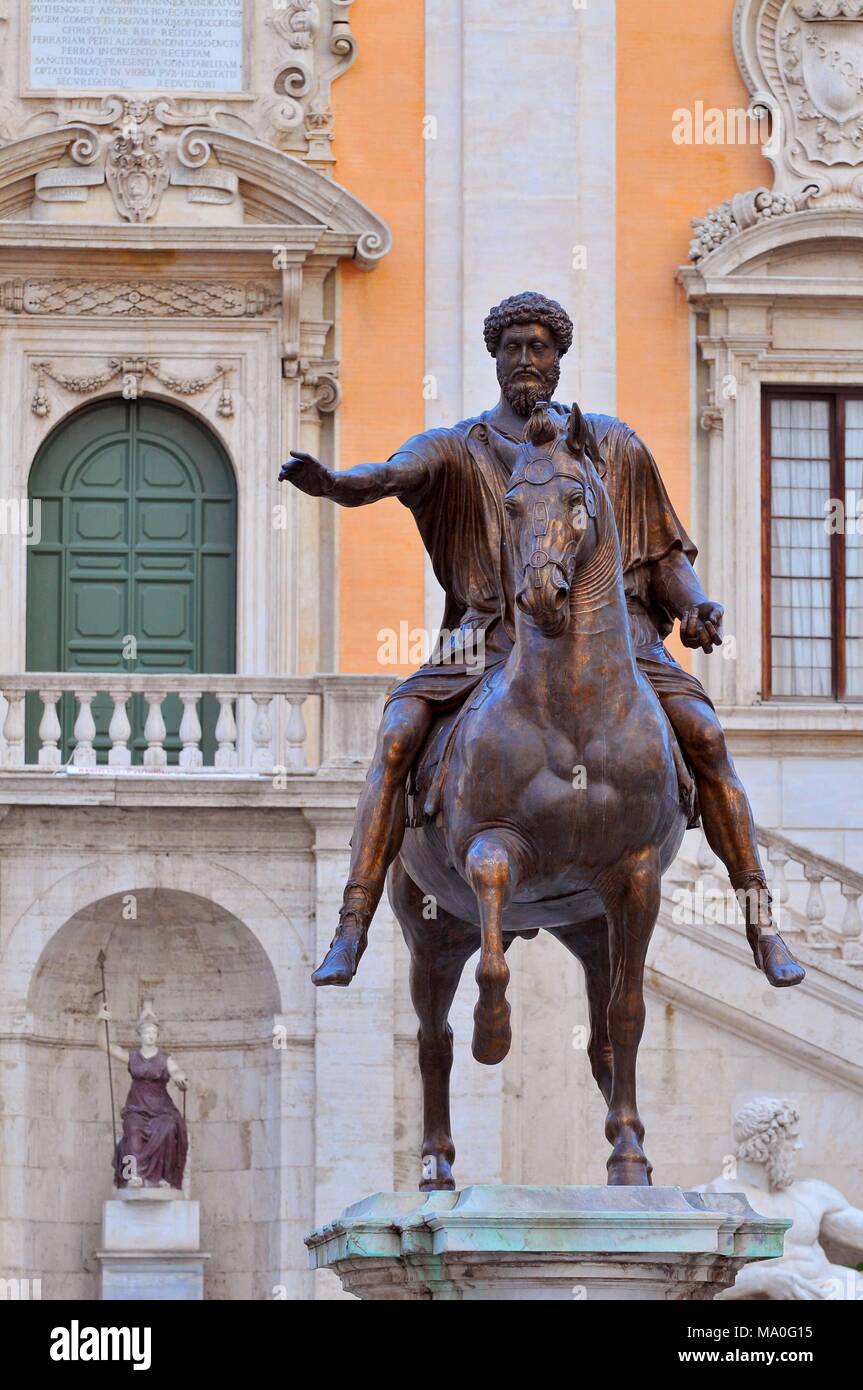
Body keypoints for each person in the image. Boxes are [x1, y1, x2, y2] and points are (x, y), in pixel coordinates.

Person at [279, 291, 804, 991]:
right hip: (486, 638)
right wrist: (337, 484)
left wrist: (696, 605)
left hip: (612, 641)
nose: (525, 360)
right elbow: (391, 475)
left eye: (538, 348)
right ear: (493, 358)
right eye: (512, 348)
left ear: (559, 360)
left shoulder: (613, 445)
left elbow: (664, 555)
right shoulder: (457, 446)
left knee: (704, 738)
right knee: (399, 731)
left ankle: (760, 921)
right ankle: (352, 925)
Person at [699, 1096, 863, 1300]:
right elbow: (691, 1281)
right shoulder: (712, 1199)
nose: (799, 1146)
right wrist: (761, 1280)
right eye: (792, 1138)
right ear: (767, 1143)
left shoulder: (813, 1194)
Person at [95, 999, 188, 1190]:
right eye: (147, 1032)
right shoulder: (132, 1057)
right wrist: (98, 1022)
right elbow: (105, 1045)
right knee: (132, 1130)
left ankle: (165, 1177)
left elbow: (176, 1069)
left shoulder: (164, 1057)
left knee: (169, 1128)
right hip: (137, 1108)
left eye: (153, 1033)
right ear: (140, 1035)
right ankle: (132, 1175)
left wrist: (180, 1077)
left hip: (161, 1109)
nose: (150, 1036)